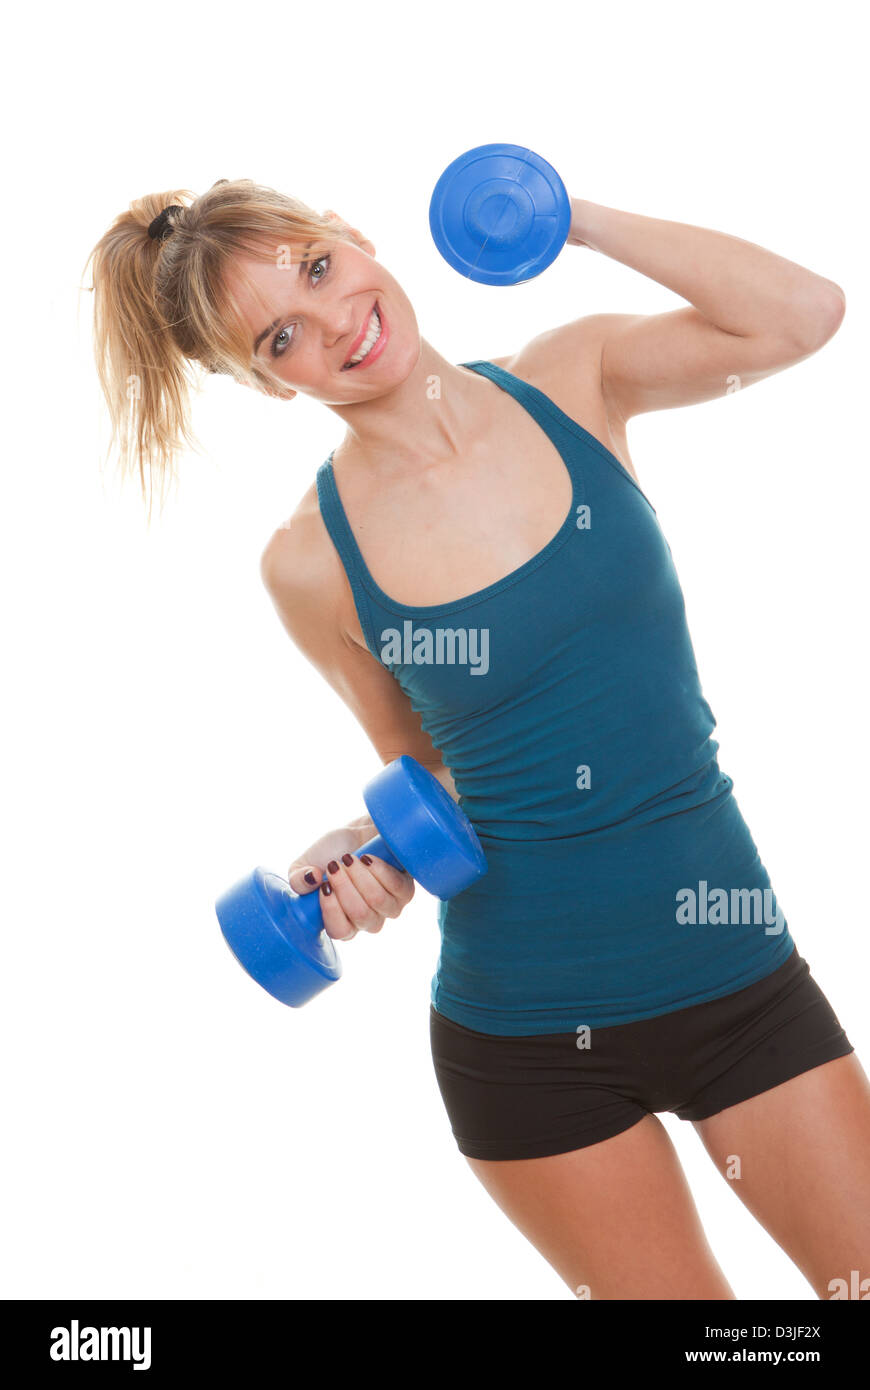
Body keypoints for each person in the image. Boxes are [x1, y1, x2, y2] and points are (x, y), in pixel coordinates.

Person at [84, 177, 870, 1300]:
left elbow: (804, 315)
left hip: (739, 978)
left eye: (316, 268)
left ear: (352, 235)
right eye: (283, 336)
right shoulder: (310, 562)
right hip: (528, 1040)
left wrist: (563, 214)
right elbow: (437, 767)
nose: (335, 323)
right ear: (269, 381)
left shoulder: (574, 378)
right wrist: (364, 853)